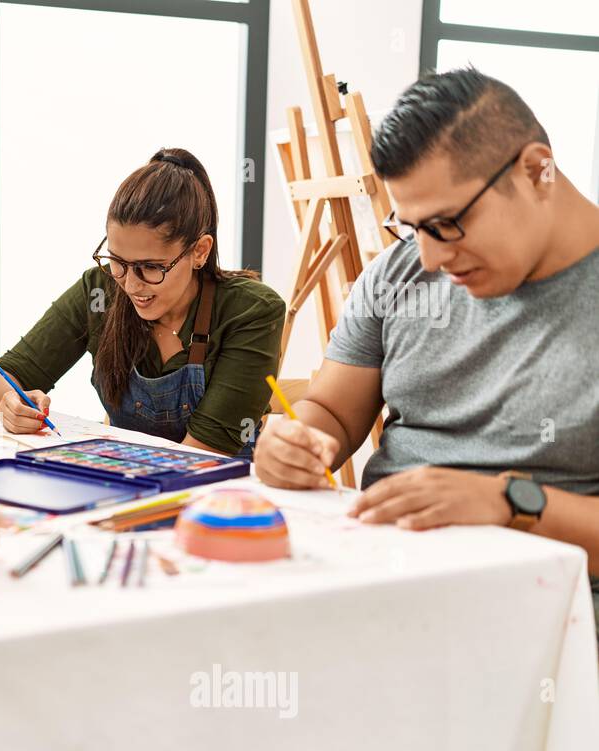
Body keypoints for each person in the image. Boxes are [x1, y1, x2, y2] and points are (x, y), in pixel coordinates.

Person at [252, 67, 599, 629]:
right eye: (410, 227)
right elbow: (334, 412)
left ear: (538, 170)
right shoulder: (398, 274)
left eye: (445, 223)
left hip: (541, 616)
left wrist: (509, 503)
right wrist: (299, 441)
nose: (431, 259)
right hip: (378, 575)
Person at [0, 148, 286, 458]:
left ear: (200, 251)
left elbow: (203, 454)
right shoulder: (99, 292)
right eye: (117, 261)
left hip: (218, 497)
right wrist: (11, 403)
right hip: (128, 481)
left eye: (151, 267)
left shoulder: (251, 311)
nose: (131, 284)